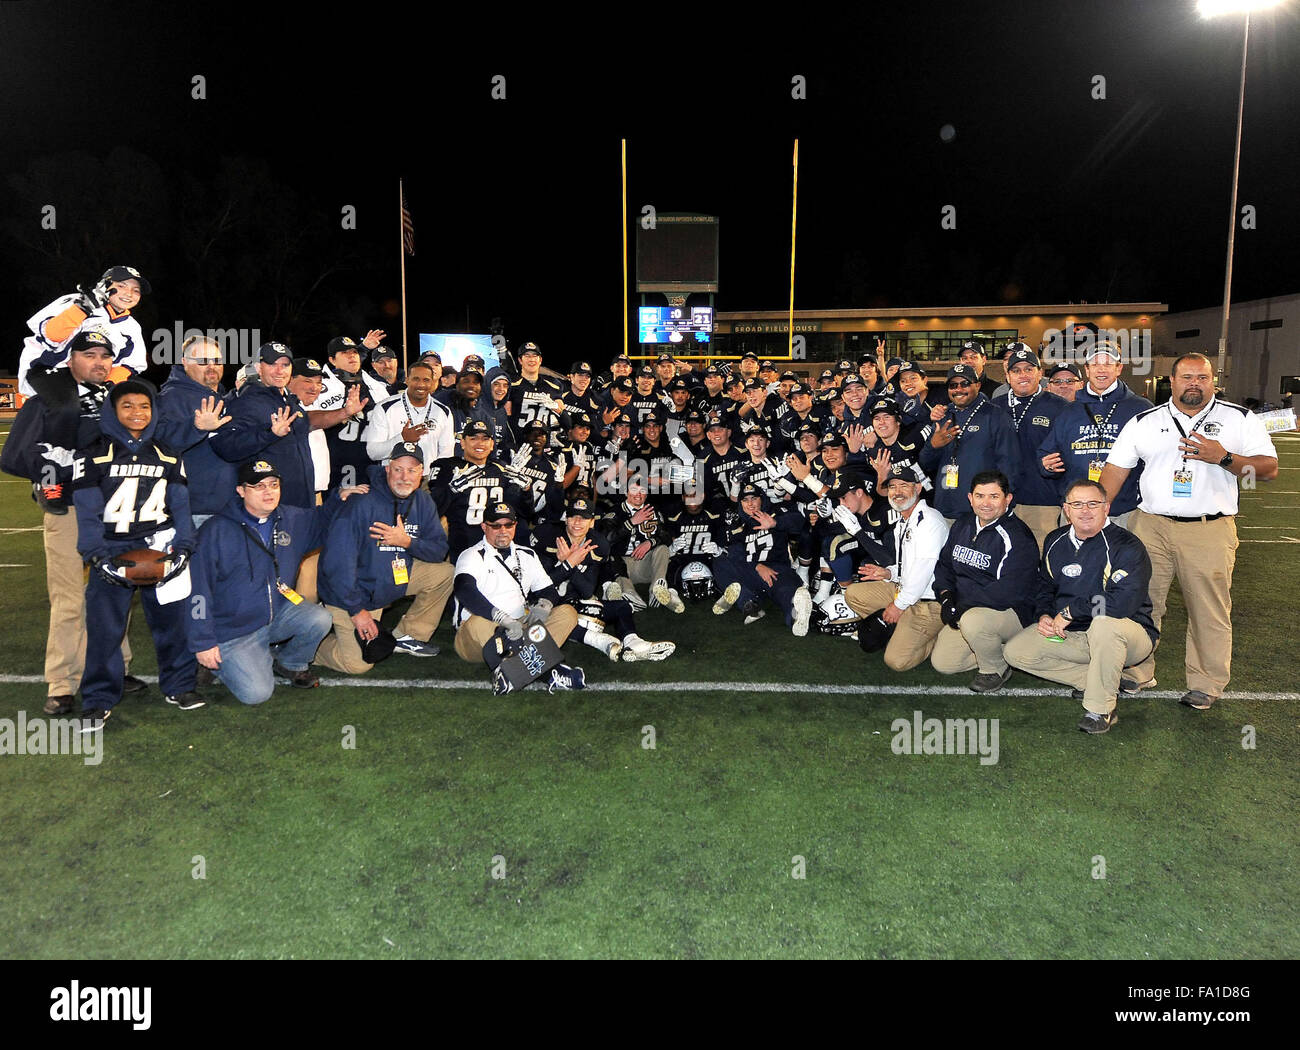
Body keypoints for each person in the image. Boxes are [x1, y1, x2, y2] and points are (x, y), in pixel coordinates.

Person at [1099, 353, 1279, 709]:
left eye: (1202, 377)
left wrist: (1224, 457)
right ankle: (1138, 671)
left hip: (1208, 527)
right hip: (1150, 524)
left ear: (1213, 381)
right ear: (1172, 380)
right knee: (1141, 602)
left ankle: (1206, 683)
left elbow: (1268, 470)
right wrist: (1095, 509)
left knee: (1208, 609)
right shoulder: (1144, 421)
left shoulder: (1239, 419)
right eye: (1187, 377)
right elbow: (1115, 470)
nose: (1194, 383)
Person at [1, 330, 141, 714]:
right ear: (71, 359)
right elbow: (18, 454)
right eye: (89, 354)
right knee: (69, 597)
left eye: (105, 356)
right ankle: (62, 682)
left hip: (115, 504)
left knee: (116, 591)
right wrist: (52, 484)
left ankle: (117, 667)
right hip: (73, 509)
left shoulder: (113, 396)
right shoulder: (53, 397)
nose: (99, 362)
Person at [71, 380, 199, 730]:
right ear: (112, 410)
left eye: (144, 406)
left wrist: (184, 547)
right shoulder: (93, 453)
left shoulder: (168, 453)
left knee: (172, 622)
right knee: (105, 629)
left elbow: (182, 505)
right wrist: (98, 556)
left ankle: (179, 685)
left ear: (154, 410)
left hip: (158, 544)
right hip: (112, 548)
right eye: (127, 405)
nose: (137, 413)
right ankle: (98, 699)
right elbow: (87, 511)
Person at [188, 460, 362, 703]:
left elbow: (322, 519)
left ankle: (290, 662)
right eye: (258, 486)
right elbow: (197, 591)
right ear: (241, 491)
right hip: (232, 630)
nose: (268, 491)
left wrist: (339, 496)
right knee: (257, 694)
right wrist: (203, 642)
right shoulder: (215, 531)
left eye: (273, 484)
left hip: (275, 613)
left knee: (320, 618)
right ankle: (216, 662)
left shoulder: (290, 518)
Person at [1004, 480, 1158, 734]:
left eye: (1093, 504)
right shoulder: (1055, 540)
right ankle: (1103, 679)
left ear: (1106, 508)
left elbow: (1122, 603)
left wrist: (1073, 610)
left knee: (1104, 623)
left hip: (1128, 635)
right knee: (1016, 651)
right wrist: (1043, 613)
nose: (1085, 511)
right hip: (1074, 634)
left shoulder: (1127, 546)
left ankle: (1101, 709)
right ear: (1066, 509)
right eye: (1077, 504)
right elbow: (1045, 586)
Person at [314, 443, 455, 674]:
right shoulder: (361, 501)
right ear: (388, 469)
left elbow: (438, 550)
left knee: (444, 573)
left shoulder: (423, 501)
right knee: (358, 664)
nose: (405, 477)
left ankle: (408, 636)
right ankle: (308, 646)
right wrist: (356, 610)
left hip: (389, 579)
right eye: (398, 469)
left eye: (412, 470)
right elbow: (337, 564)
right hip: (353, 592)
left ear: (422, 473)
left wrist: (407, 542)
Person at [450, 502, 585, 694]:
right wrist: (501, 618)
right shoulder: (471, 555)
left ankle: (510, 674)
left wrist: (543, 607)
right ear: (484, 527)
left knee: (567, 613)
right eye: (496, 525)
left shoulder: (527, 554)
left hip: (520, 628)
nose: (502, 530)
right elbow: (464, 590)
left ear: (515, 526)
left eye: (508, 525)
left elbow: (548, 590)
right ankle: (548, 672)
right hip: (482, 632)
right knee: (477, 623)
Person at [929, 471, 1039, 691]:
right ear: (970, 498)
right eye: (980, 496)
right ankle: (999, 648)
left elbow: (1009, 592)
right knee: (944, 663)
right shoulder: (963, 524)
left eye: (994, 496)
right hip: (969, 610)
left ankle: (995, 668)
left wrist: (961, 607)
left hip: (1011, 611)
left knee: (973, 622)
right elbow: (944, 566)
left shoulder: (1018, 536)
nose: (986, 503)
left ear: (1007, 499)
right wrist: (946, 597)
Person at [533, 497, 676, 662]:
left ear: (592, 522)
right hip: (547, 602)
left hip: (576, 599)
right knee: (568, 615)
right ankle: (600, 641)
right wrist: (568, 565)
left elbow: (587, 590)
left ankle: (633, 642)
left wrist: (571, 565)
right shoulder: (546, 535)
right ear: (566, 518)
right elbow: (539, 586)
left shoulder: (598, 543)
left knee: (621, 606)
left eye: (584, 517)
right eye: (573, 516)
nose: (578, 522)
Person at [1037, 341, 1151, 528]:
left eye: (1108, 364)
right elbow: (1047, 452)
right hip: (1076, 512)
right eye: (1096, 364)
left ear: (1119, 368)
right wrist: (1046, 465)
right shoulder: (1068, 410)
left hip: (1123, 512)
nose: (1101, 370)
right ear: (1087, 369)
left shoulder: (1140, 408)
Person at [842, 475, 948, 671]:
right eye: (892, 487)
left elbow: (923, 573)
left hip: (928, 602)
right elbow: (906, 566)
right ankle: (906, 627)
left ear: (918, 488)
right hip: (906, 591)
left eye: (904, 486)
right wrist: (889, 573)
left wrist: (898, 606)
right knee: (853, 594)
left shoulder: (929, 521)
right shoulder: (903, 519)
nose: (897, 492)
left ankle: (936, 635)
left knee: (896, 661)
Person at [18, 265, 151, 397]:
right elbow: (52, 335)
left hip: (92, 376)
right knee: (67, 407)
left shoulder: (131, 326)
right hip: (48, 366)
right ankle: (36, 412)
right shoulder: (75, 301)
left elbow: (131, 364)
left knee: (145, 391)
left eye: (136, 290)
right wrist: (82, 308)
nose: (129, 293)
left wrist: (109, 385)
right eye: (122, 286)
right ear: (104, 285)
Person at [156, 334, 237, 530]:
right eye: (203, 361)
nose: (212, 366)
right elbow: (159, 443)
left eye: (217, 360)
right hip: (195, 509)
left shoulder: (224, 398)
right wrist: (196, 428)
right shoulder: (171, 397)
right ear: (184, 363)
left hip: (231, 506)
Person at [920, 364, 1017, 526]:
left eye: (965, 384)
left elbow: (1009, 464)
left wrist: (1001, 504)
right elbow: (925, 463)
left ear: (977, 385)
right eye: (953, 385)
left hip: (981, 512)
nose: (959, 389)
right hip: (945, 507)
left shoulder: (995, 415)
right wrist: (933, 445)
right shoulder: (944, 415)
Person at [711, 481, 813, 635]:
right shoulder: (737, 524)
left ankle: (796, 618)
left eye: (754, 498)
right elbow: (736, 555)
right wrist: (757, 566)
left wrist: (775, 523)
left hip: (777, 571)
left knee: (789, 593)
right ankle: (750, 605)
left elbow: (800, 523)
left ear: (762, 499)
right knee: (721, 561)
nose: (750, 504)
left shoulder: (775, 512)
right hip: (751, 573)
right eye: (745, 500)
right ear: (740, 503)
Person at [991, 346, 1068, 548]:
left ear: (1040, 373)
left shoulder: (1059, 406)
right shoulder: (994, 407)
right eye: (1016, 370)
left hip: (1042, 502)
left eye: (1029, 369)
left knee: (1042, 560)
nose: (1022, 375)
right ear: (1007, 376)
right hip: (1000, 500)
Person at [428, 419, 529, 560]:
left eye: (485, 439)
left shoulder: (501, 468)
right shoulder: (448, 467)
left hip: (498, 544)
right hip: (464, 543)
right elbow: (431, 511)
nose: (480, 443)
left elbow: (524, 512)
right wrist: (450, 490)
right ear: (462, 442)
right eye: (473, 438)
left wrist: (525, 489)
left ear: (492, 444)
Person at [600, 479, 681, 612]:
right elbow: (605, 540)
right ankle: (630, 594)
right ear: (626, 492)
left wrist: (650, 542)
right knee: (612, 558)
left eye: (642, 491)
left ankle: (657, 589)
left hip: (646, 565)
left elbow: (666, 536)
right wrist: (631, 522)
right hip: (623, 566)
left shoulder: (652, 510)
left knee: (662, 549)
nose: (638, 494)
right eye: (634, 490)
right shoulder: (615, 512)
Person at [363, 359, 455, 466]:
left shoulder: (443, 412)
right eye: (416, 379)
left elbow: (446, 455)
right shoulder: (385, 408)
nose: (421, 385)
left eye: (426, 380)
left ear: (432, 382)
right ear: (407, 380)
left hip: (428, 480)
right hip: (393, 478)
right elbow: (373, 452)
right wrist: (402, 438)